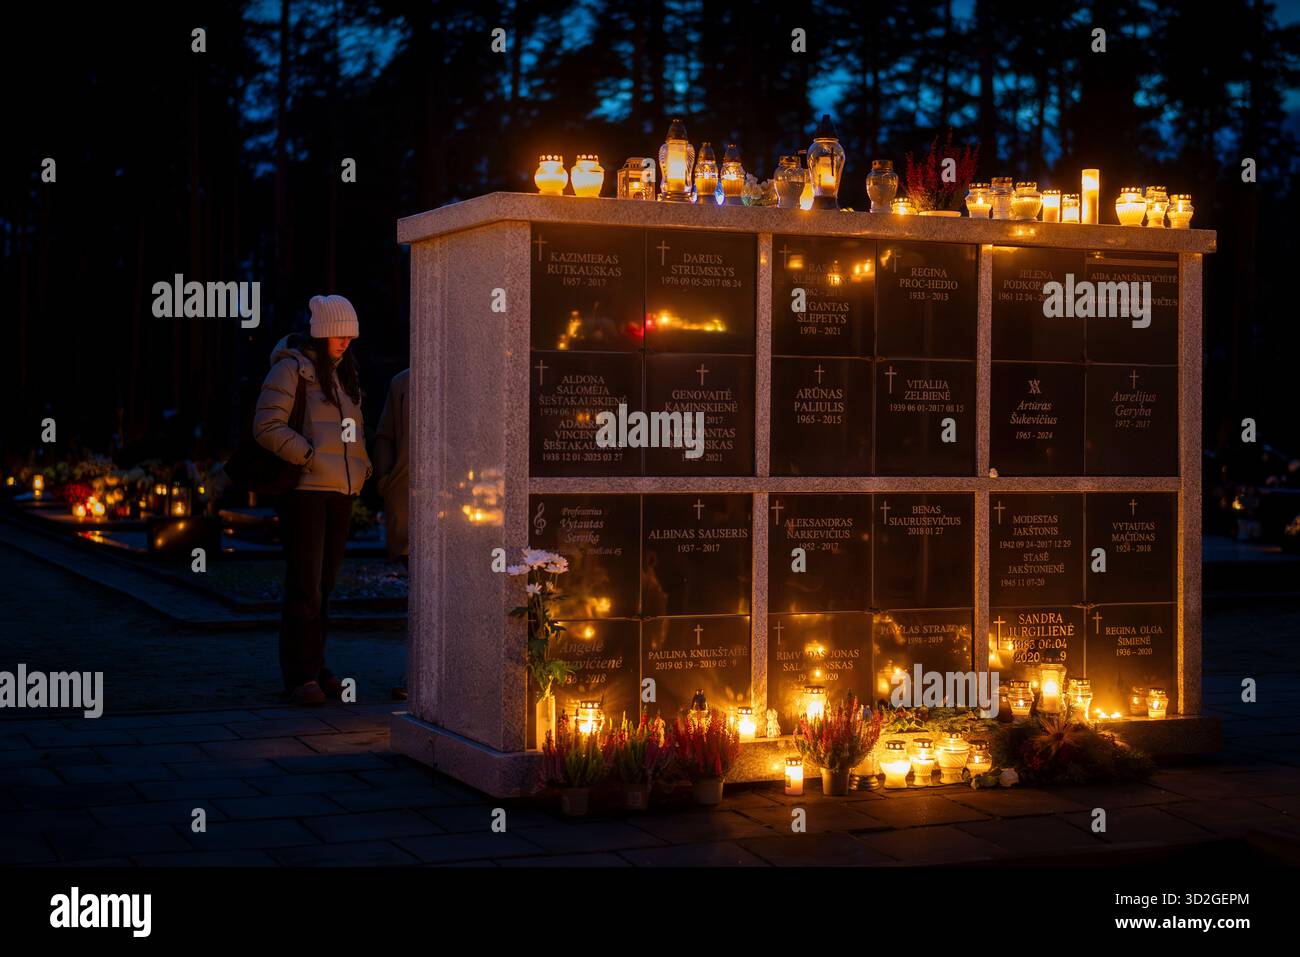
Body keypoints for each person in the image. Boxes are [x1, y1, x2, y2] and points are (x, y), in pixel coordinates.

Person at [254, 295, 372, 705]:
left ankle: (315, 667)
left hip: (339, 492)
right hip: (304, 493)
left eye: (350, 334)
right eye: (339, 333)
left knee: (323, 587)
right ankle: (300, 676)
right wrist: (305, 455)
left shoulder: (344, 375)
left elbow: (351, 435)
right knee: (305, 587)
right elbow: (266, 425)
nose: (345, 341)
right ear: (320, 332)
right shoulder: (291, 370)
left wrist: (362, 468)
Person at [373, 368, 409, 700]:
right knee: (422, 594)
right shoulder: (402, 382)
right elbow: (384, 434)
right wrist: (386, 481)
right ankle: (417, 673)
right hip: (409, 497)